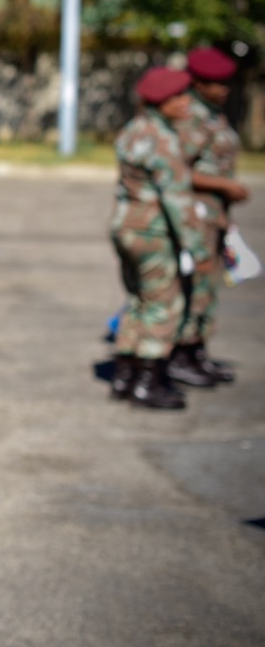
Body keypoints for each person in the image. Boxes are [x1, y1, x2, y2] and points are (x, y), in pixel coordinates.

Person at [108, 66, 206, 408]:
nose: (186, 103)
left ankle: (124, 374)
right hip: (152, 232)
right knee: (163, 305)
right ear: (161, 101)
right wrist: (198, 247)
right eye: (178, 97)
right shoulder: (164, 141)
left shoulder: (133, 130)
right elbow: (177, 199)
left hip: (125, 226)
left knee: (138, 300)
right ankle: (148, 382)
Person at [170, 46, 250, 385]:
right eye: (217, 83)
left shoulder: (213, 113)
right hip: (195, 213)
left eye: (226, 82)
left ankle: (197, 351)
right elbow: (177, 170)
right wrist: (225, 185)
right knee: (194, 283)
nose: (225, 89)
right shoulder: (191, 116)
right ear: (199, 84)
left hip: (214, 215)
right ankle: (181, 353)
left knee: (209, 284)